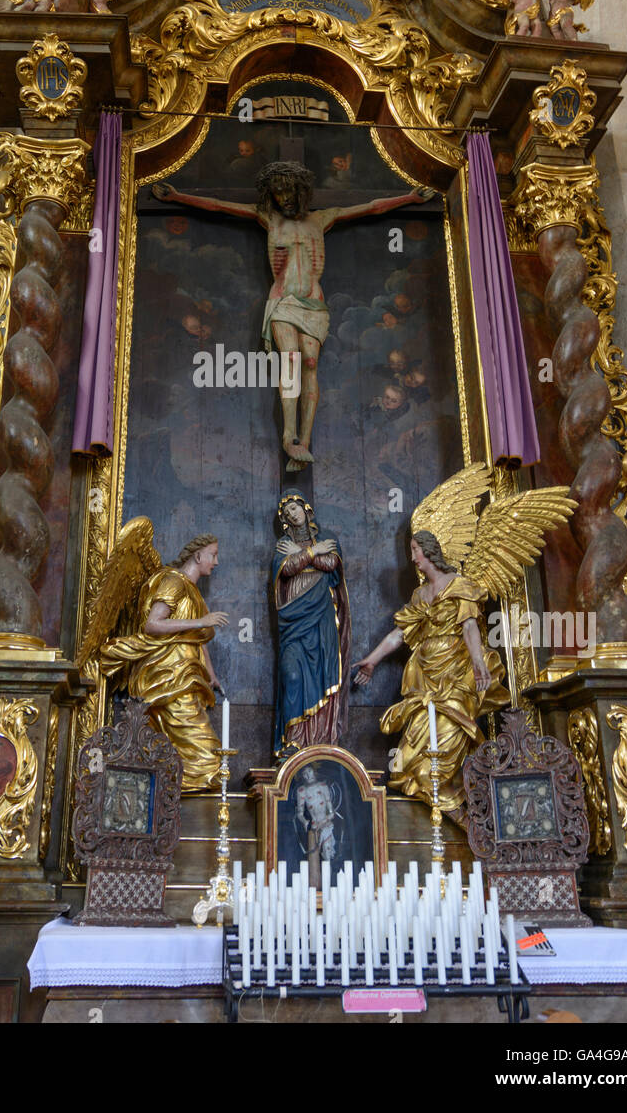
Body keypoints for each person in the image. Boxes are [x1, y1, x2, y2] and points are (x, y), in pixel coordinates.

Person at [153, 163, 419, 469]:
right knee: (291, 358)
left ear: (300, 190)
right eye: (277, 193)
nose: (283, 198)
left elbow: (371, 208)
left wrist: (409, 198)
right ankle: (289, 434)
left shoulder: (322, 218)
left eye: (288, 190)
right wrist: (177, 197)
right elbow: (217, 205)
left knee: (309, 363)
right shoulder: (267, 217)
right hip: (282, 301)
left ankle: (305, 439)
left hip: (314, 304)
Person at [353, 529, 507, 824]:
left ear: (430, 551)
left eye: (415, 550)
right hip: (424, 678)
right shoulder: (419, 595)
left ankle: (466, 819)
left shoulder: (460, 585)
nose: (412, 558)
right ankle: (456, 823)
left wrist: (477, 661)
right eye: (410, 551)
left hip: (456, 676)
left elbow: (470, 627)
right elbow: (400, 634)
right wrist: (372, 660)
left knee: (441, 751)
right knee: (408, 762)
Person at [97, 533, 228, 791]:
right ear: (198, 556)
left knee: (192, 752)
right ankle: (182, 798)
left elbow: (196, 638)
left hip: (184, 677)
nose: (216, 561)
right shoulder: (173, 581)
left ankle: (173, 792)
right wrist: (202, 621)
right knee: (209, 758)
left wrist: (210, 674)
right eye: (213, 554)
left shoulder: (191, 590)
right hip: (168, 678)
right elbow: (152, 625)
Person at [272, 493, 351, 757]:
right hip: (293, 620)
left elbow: (332, 564)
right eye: (288, 512)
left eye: (296, 508)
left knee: (324, 674)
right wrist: (311, 552)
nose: (293, 514)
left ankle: (323, 739)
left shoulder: (327, 538)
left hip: (322, 617)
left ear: (306, 509)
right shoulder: (283, 544)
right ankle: (293, 740)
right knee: (292, 674)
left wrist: (306, 552)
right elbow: (287, 569)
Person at [294, 764, 340, 891]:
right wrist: (304, 822)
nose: (307, 775)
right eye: (304, 774)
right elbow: (299, 813)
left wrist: (324, 821)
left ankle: (328, 886)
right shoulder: (301, 791)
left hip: (325, 825)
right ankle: (315, 885)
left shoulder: (323, 787)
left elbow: (331, 813)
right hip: (313, 827)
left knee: (327, 852)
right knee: (313, 856)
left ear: (314, 772)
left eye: (309, 771)